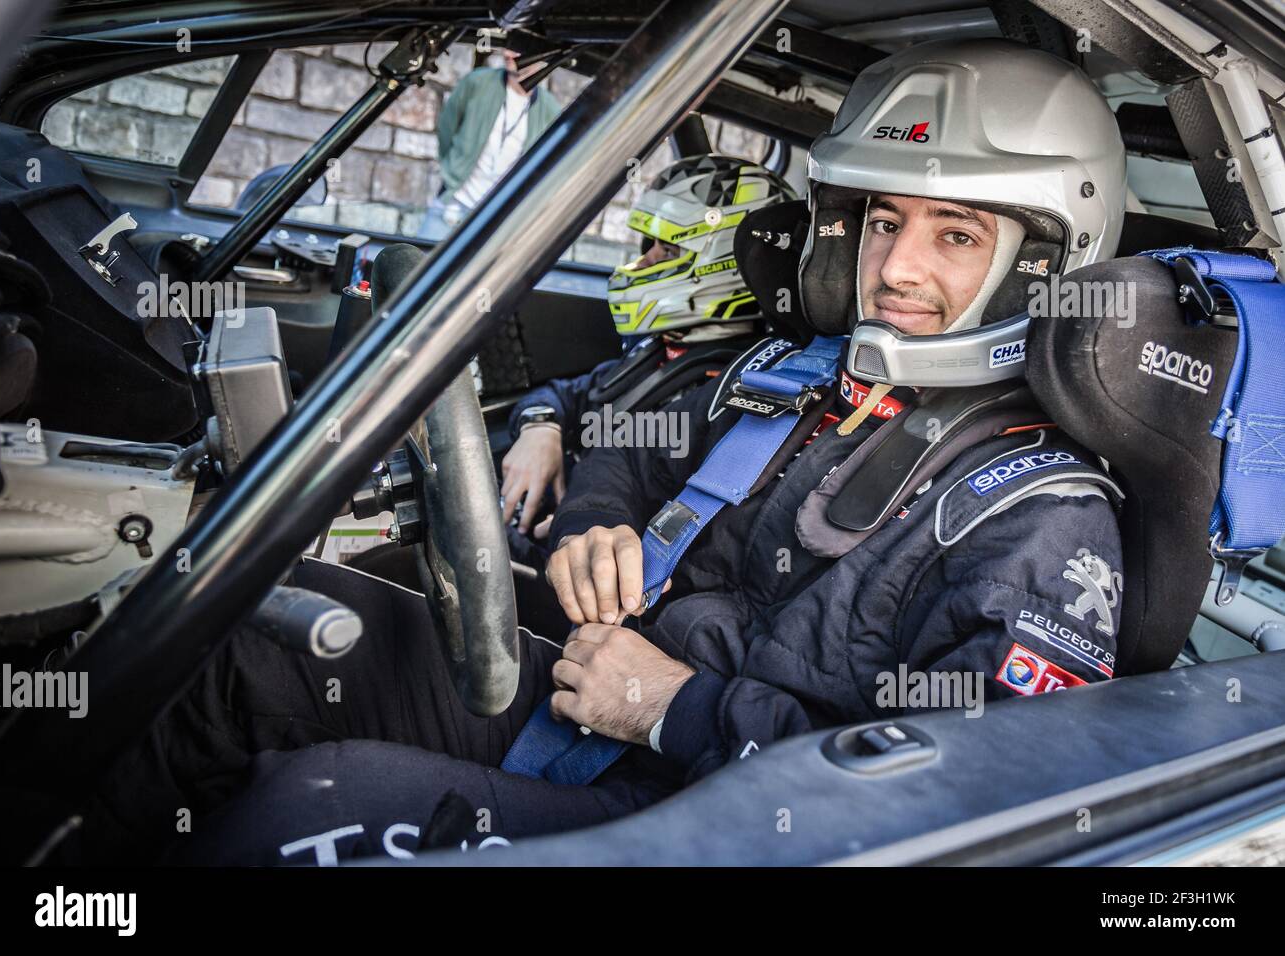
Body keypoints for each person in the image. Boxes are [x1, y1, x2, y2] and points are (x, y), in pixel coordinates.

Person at [74, 38, 1130, 865]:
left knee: (310, 809)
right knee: (253, 633)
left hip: (727, 813)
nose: (894, 267)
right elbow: (629, 448)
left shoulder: (1039, 516)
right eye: (884, 221)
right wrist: (593, 524)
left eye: (954, 233)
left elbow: (966, 796)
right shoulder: (797, 377)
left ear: (1043, 264)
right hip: (591, 709)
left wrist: (680, 707)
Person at [499, 155, 796, 542]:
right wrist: (541, 428)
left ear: (724, 267)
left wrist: (578, 528)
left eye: (669, 251)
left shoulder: (737, 386)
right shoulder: (660, 349)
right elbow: (566, 394)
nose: (645, 261)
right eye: (650, 244)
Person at [416, 48, 562, 241]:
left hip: (499, 221)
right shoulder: (477, 82)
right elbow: (447, 128)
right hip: (453, 204)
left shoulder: (550, 110)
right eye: (509, 45)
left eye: (519, 49)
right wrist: (453, 169)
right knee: (419, 264)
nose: (508, 54)